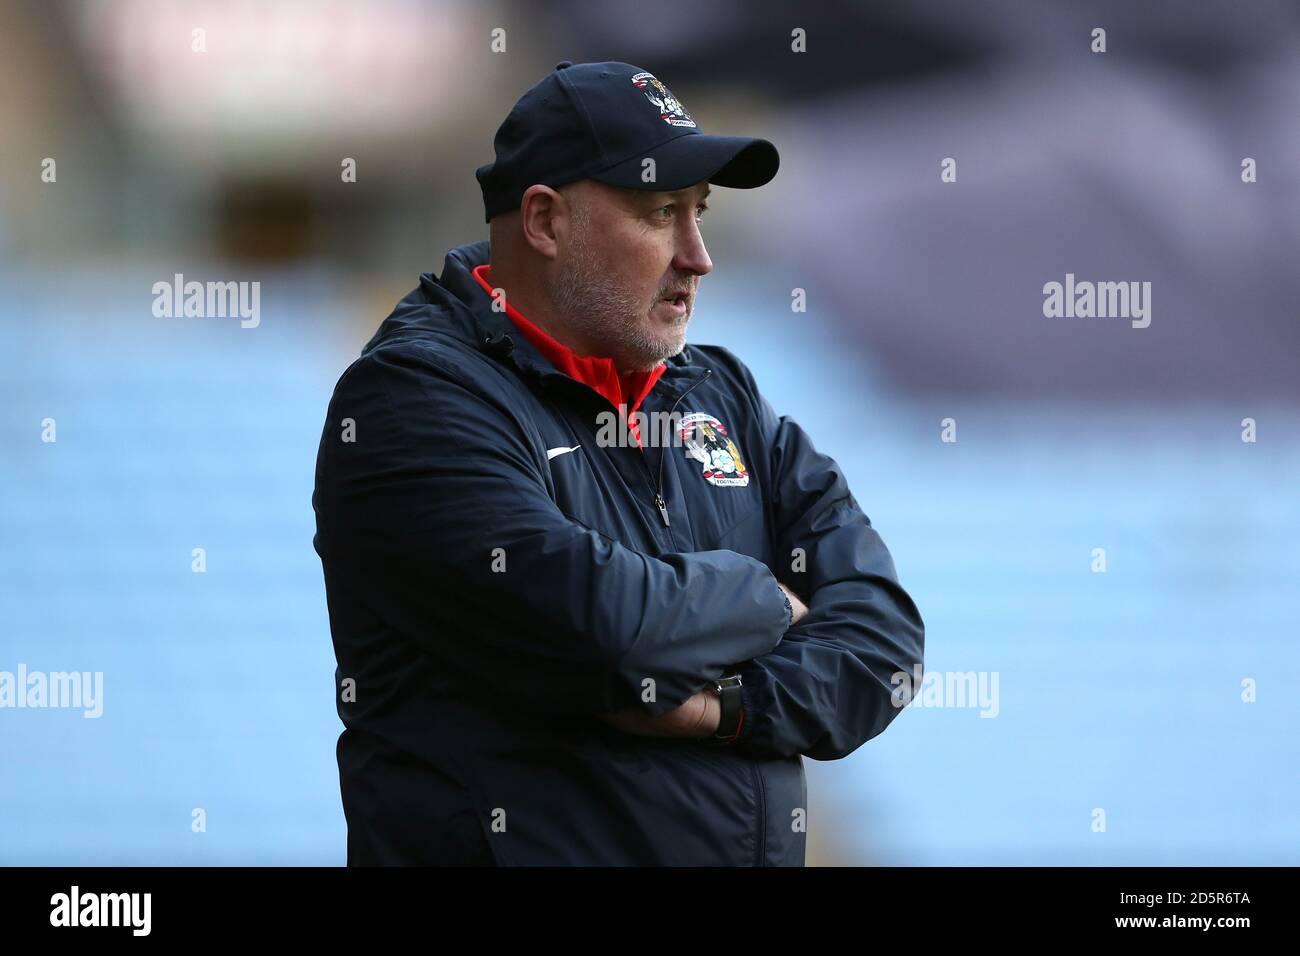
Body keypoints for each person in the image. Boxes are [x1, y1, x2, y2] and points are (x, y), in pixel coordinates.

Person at [311, 60, 925, 866]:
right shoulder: (411, 401)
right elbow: (604, 631)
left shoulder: (722, 393)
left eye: (698, 213)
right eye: (660, 213)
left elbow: (885, 642)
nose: (697, 255)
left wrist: (727, 707)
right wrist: (765, 596)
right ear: (544, 222)